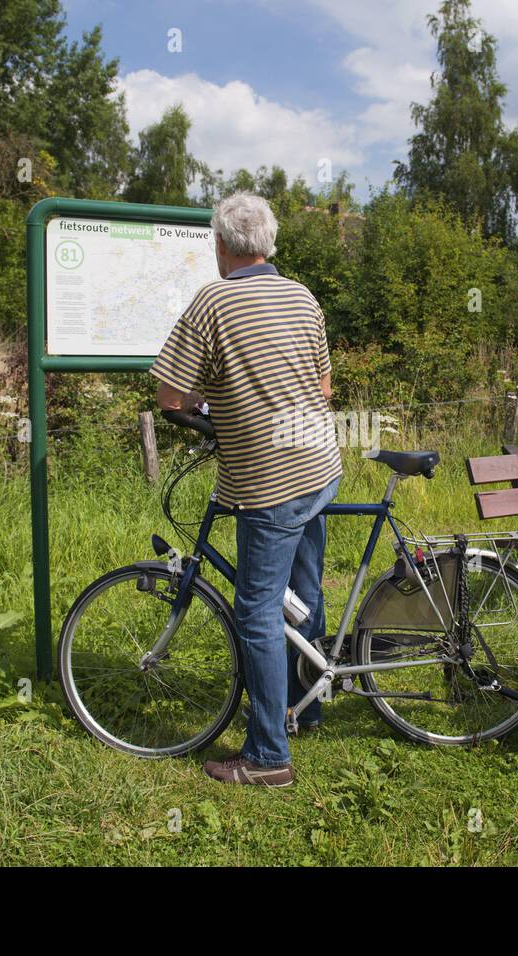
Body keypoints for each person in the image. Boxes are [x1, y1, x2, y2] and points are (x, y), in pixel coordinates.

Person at [150, 192, 342, 787]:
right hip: (320, 466)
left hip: (269, 480)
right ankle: (302, 708)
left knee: (256, 612)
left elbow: (168, 395)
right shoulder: (302, 295)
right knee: (302, 594)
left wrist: (213, 403)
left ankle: (267, 756)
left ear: (222, 244)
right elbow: (324, 384)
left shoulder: (215, 299)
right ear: (270, 244)